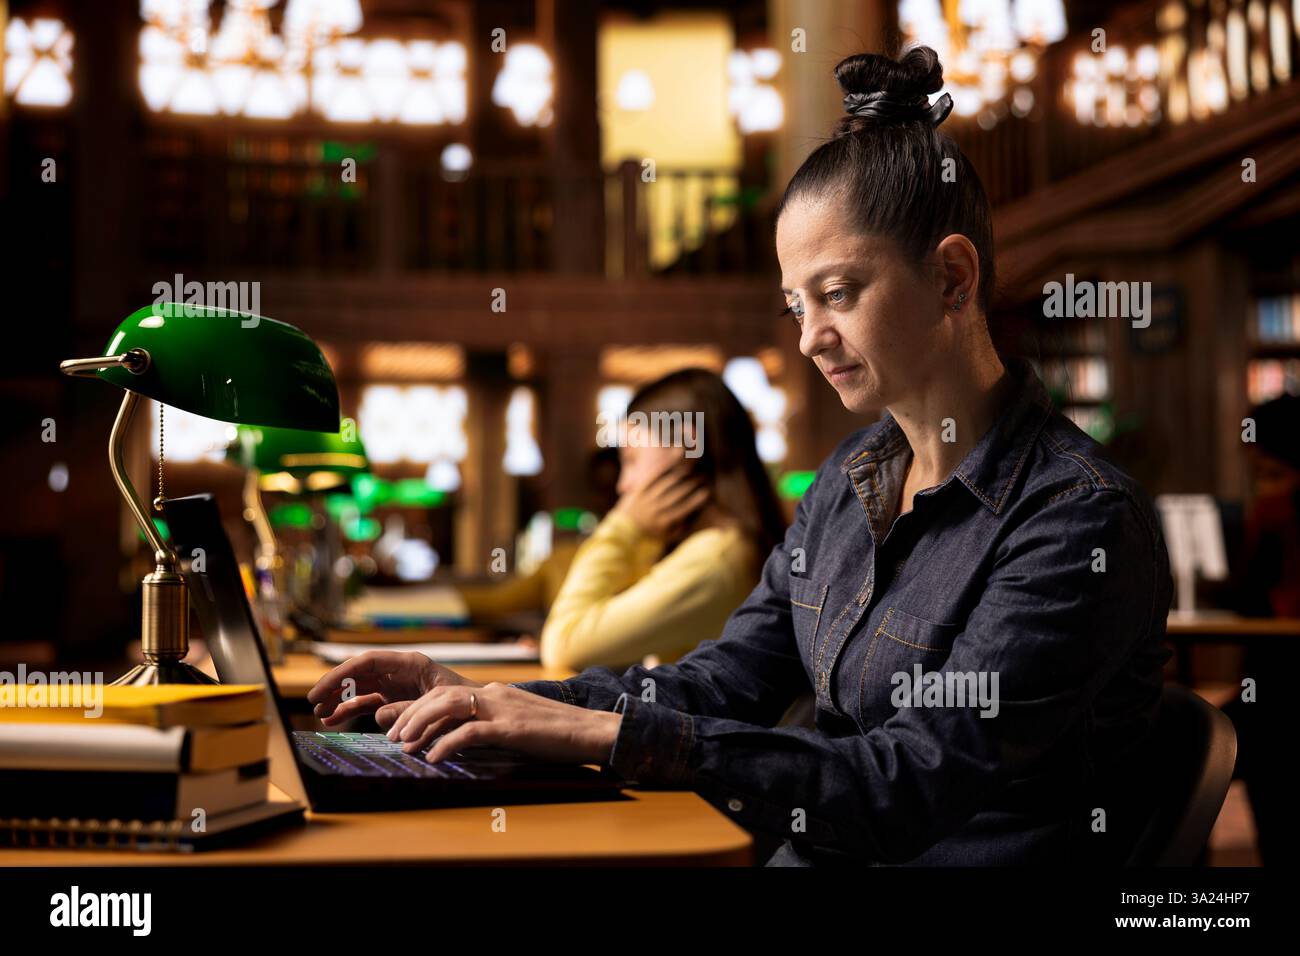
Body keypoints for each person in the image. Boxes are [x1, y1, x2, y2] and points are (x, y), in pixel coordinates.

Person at [308, 46, 1173, 866]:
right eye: (796, 304)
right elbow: (721, 684)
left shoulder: (1076, 517)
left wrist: (609, 736)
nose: (808, 340)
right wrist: (491, 697)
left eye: (836, 294)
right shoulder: (851, 481)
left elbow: (904, 786)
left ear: (952, 278)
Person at [533, 369, 786, 670]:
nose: (622, 484)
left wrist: (623, 525)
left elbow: (564, 646)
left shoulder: (716, 558)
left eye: (631, 460)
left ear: (687, 447)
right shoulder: (713, 545)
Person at [1220, 393, 1300, 864]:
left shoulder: (1279, 515)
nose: (1263, 488)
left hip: (1281, 701)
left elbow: (1256, 600)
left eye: (1272, 474)